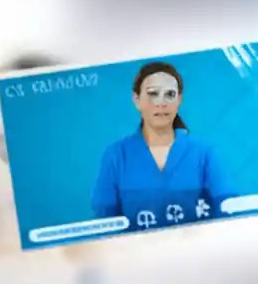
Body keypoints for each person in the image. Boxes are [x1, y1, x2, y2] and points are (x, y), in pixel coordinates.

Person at [91, 62, 230, 230]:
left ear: (179, 100)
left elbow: (227, 206)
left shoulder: (204, 153)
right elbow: (104, 220)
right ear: (136, 100)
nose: (161, 103)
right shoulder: (116, 156)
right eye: (153, 94)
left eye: (170, 94)